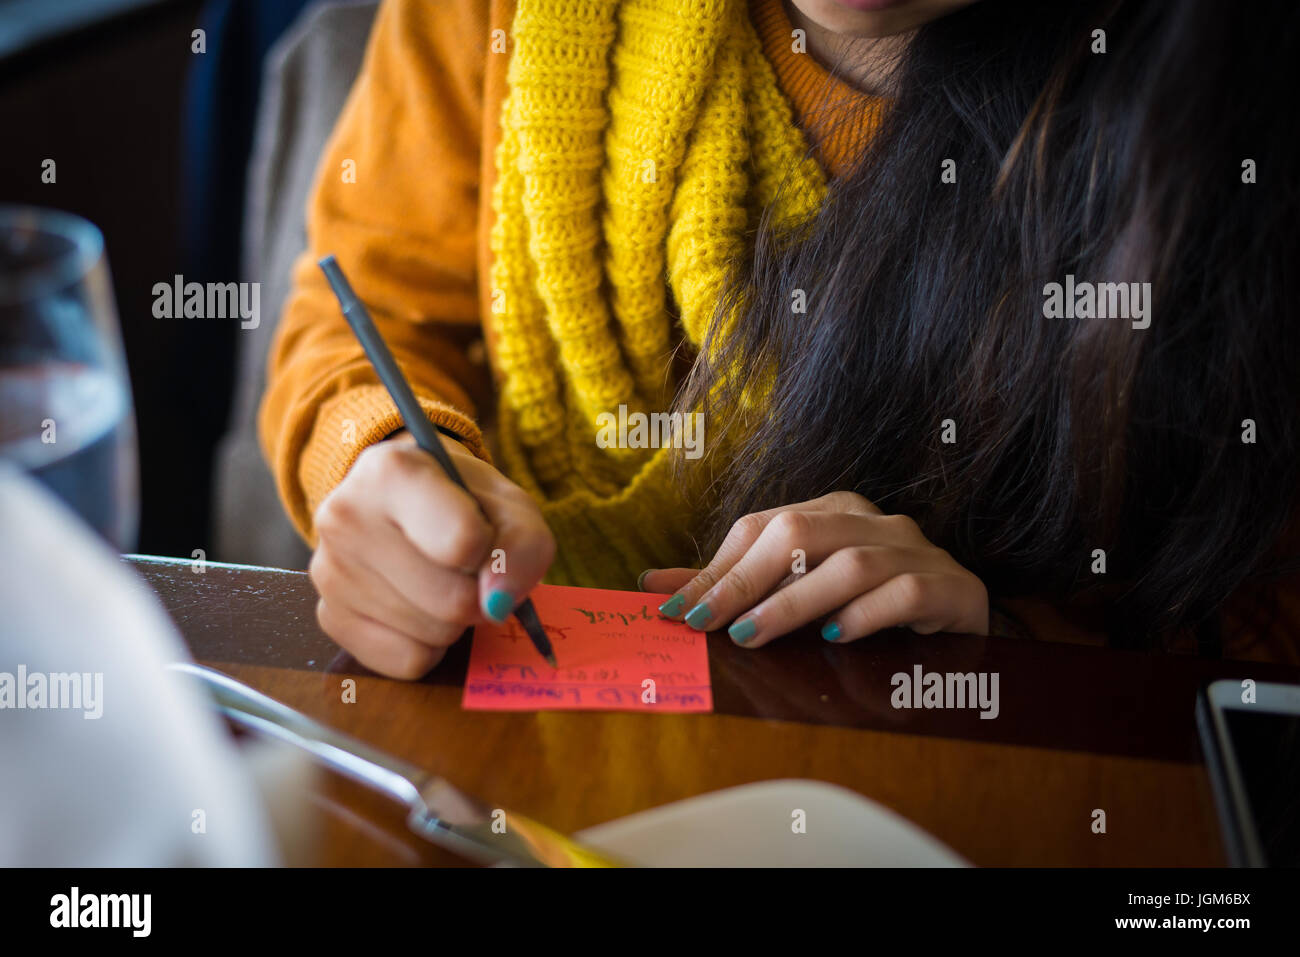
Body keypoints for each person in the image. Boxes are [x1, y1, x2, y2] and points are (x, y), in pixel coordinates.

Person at [260, 0, 1300, 678]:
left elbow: (1260, 625)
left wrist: (1018, 655)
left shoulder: (1221, 114)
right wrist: (381, 456)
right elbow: (370, 312)